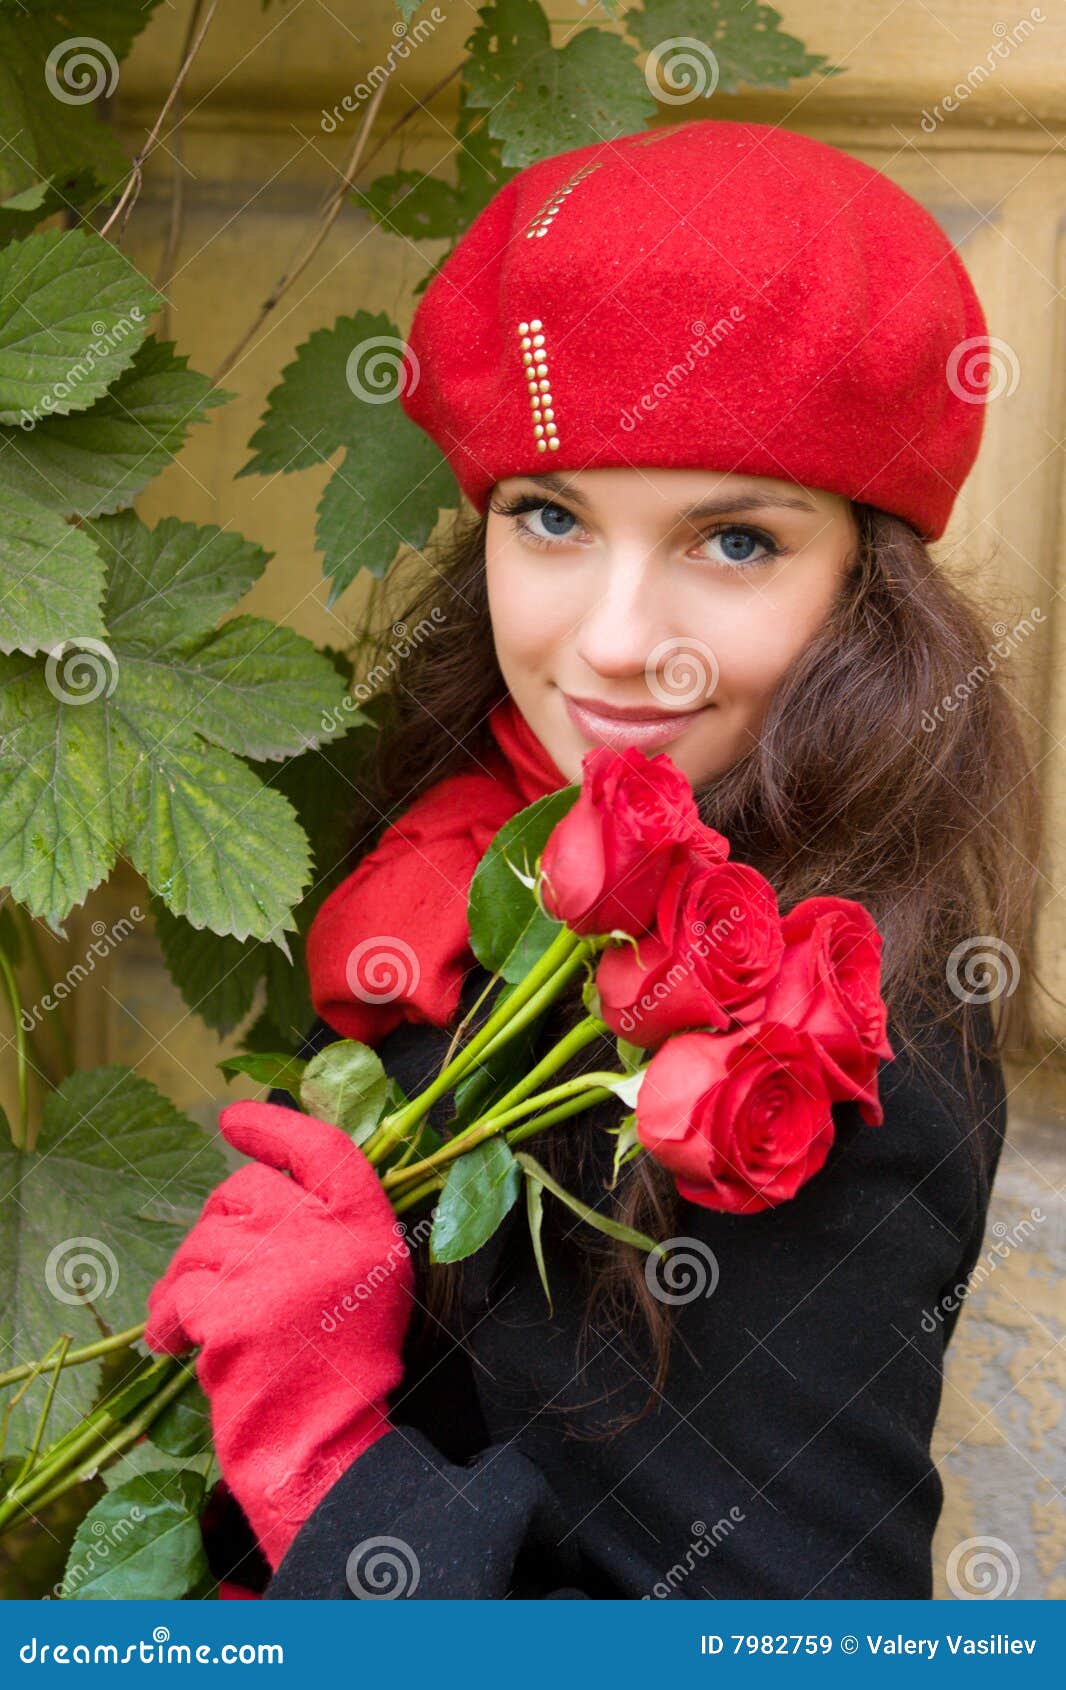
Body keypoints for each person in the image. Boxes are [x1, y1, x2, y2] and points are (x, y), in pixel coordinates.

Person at [144, 119, 1041, 1600]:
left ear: (860, 585)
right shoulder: (467, 845)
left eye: (733, 541)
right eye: (550, 517)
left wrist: (321, 1459)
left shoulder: (835, 1042)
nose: (615, 642)